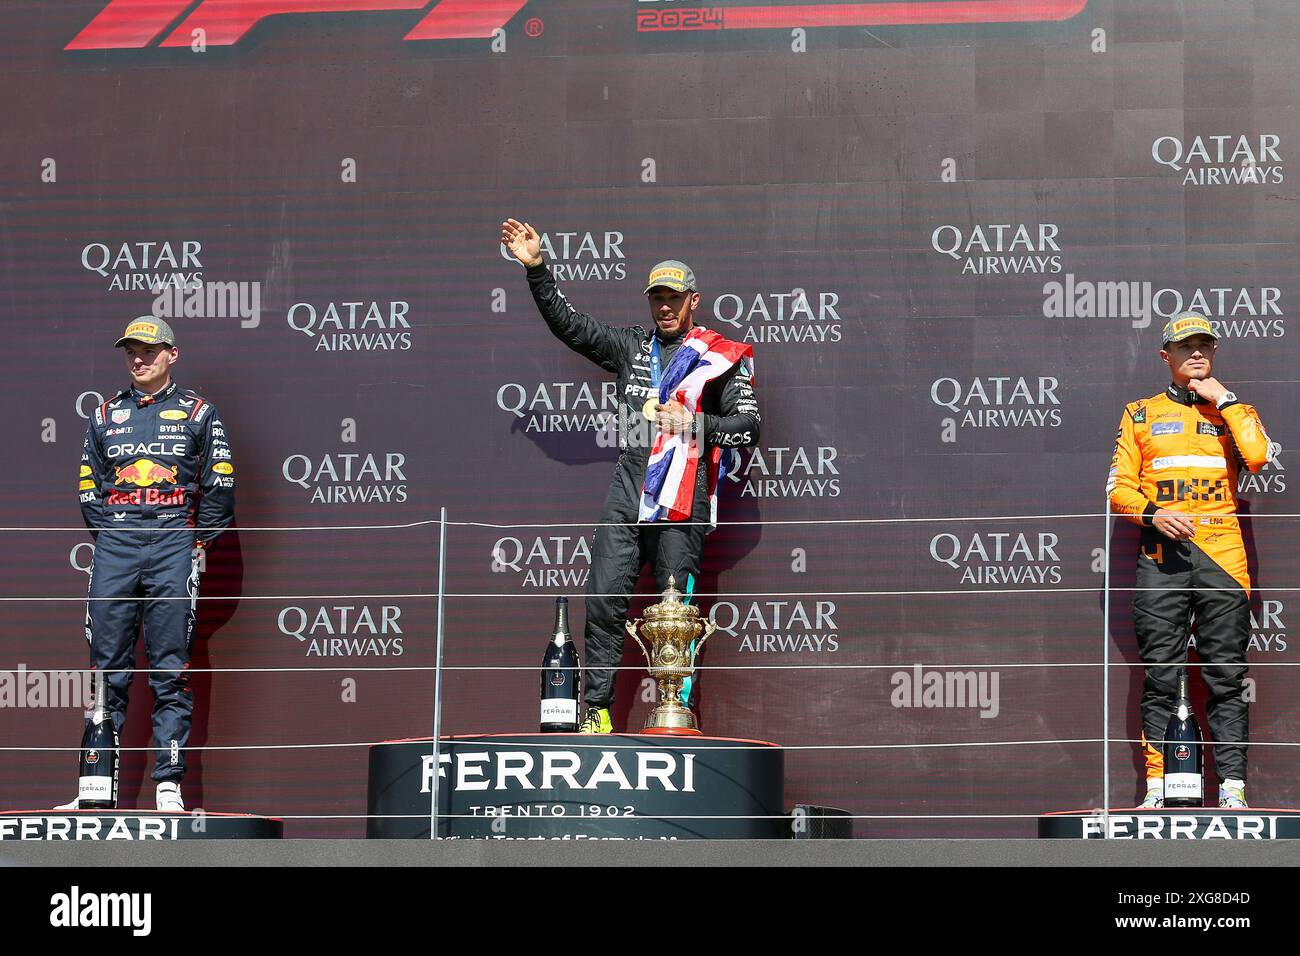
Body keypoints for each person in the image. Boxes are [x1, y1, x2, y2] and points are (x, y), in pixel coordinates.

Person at [501, 218, 760, 733]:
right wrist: (536, 270)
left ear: (694, 300)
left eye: (674, 297)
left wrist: (698, 423)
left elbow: (748, 426)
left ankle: (674, 717)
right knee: (602, 599)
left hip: (684, 494)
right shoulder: (631, 346)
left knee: (675, 616)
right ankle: (594, 711)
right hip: (630, 485)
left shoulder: (720, 358)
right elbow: (571, 327)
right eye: (656, 298)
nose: (664, 307)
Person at [62, 317, 235, 811]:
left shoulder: (199, 413)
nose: (139, 359)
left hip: (172, 544)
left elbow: (221, 486)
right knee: (104, 667)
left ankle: (168, 784)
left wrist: (192, 540)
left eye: (149, 350)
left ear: (171, 355)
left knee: (170, 669)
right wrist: (118, 531)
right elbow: (88, 488)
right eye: (132, 351)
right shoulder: (104, 414)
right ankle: (94, 787)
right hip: (116, 545)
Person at [1108, 313, 1272, 809]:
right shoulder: (1139, 413)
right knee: (1161, 673)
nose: (1197, 353)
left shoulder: (1234, 411)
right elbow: (1119, 489)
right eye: (1186, 346)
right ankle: (1157, 790)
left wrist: (1225, 401)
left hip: (1223, 556)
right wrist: (1154, 514)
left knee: (1226, 676)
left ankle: (1233, 791)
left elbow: (1259, 456)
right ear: (1167, 357)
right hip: (1163, 558)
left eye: (1205, 346)